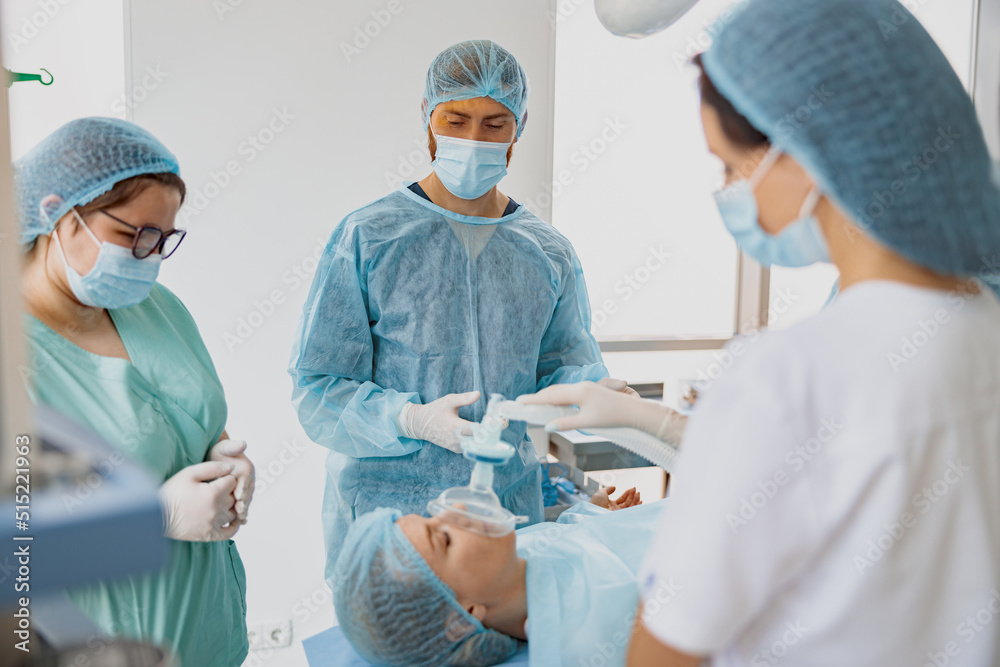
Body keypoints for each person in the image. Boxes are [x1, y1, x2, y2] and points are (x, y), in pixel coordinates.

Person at [520, 0, 1000, 664]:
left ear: (805, 151)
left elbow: (666, 652)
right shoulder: (983, 328)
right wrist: (642, 419)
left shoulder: (788, 374)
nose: (728, 193)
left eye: (729, 166)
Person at [289, 39, 631, 578]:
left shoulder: (547, 253)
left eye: (495, 124)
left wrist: (598, 392)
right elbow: (319, 388)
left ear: (518, 127)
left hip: (506, 518)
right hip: (389, 523)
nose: (474, 140)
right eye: (456, 120)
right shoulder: (369, 237)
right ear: (428, 118)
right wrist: (411, 419)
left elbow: (560, 371)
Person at [17, 117, 254, 666]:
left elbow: (189, 415)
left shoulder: (156, 309)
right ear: (61, 214)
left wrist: (225, 457)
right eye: (134, 236)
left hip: (208, 632)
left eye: (163, 240)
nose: (148, 256)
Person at [332, 487, 647, 667]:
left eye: (432, 517)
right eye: (444, 538)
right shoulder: (591, 637)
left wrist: (594, 514)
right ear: (465, 615)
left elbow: (560, 543)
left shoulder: (512, 560)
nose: (456, 507)